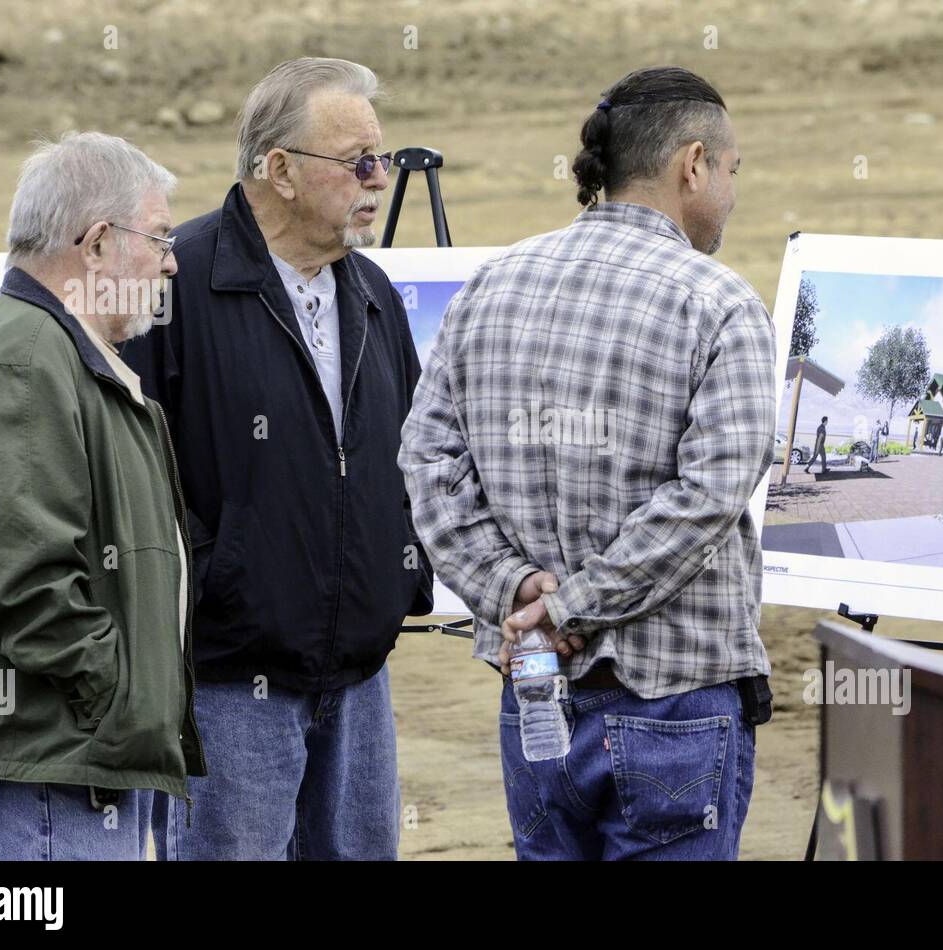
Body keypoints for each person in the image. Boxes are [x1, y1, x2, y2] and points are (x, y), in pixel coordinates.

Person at [400, 66, 775, 860]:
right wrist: (570, 606)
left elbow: (427, 461)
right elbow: (708, 497)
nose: (733, 194)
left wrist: (517, 590)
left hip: (534, 694)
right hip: (672, 704)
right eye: (733, 172)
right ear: (694, 163)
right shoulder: (720, 303)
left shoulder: (490, 285)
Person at [122, 58, 433, 860]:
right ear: (281, 170)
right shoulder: (173, 283)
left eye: (384, 157)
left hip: (359, 676)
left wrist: (401, 579)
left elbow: (413, 456)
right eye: (357, 159)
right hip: (231, 681)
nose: (378, 177)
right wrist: (220, 583)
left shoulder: (372, 292)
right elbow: (122, 478)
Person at [0, 132, 203, 859]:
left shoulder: (56, 350)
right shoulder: (26, 354)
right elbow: (20, 574)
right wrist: (113, 700)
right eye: (160, 237)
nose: (172, 260)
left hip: (59, 758)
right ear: (99, 243)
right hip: (45, 767)